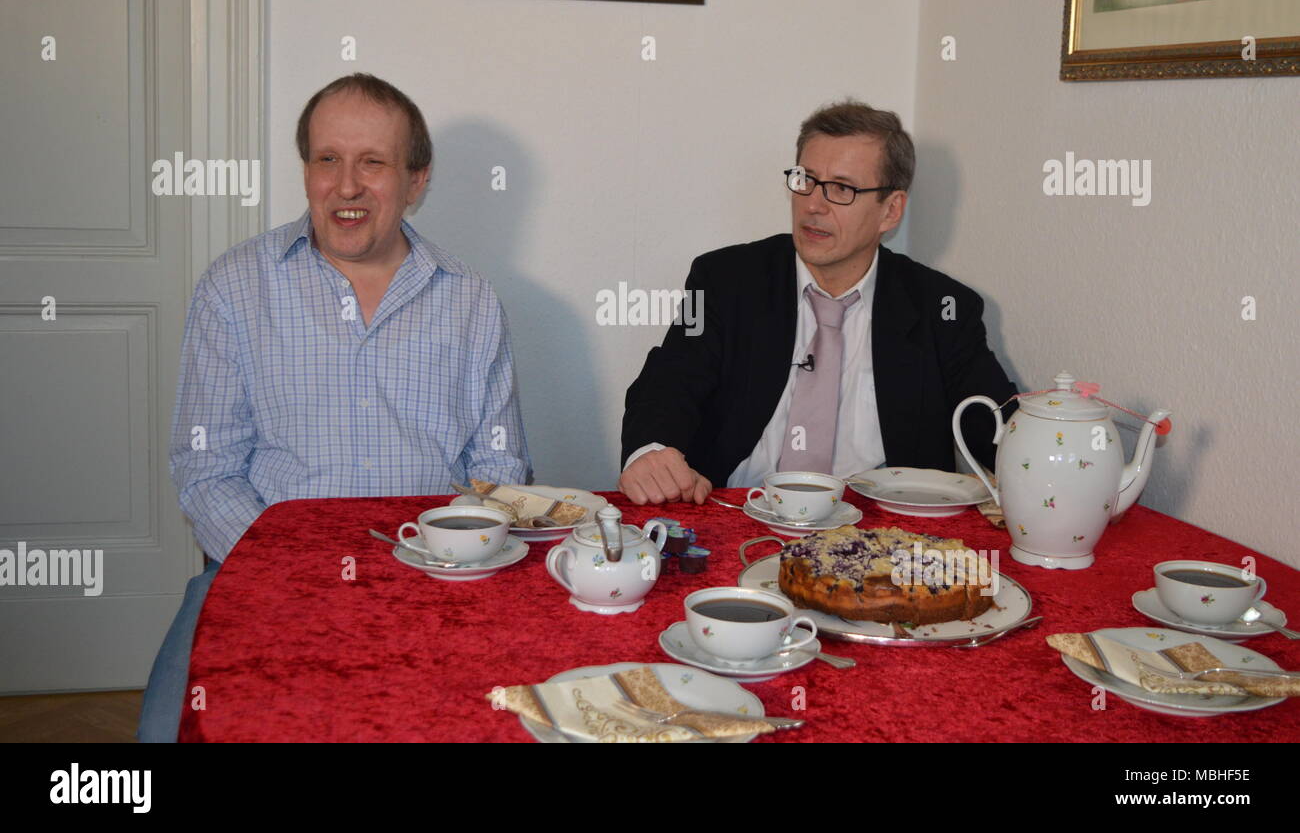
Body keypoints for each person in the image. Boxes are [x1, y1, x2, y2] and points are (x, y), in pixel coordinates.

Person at [139, 73, 531, 740]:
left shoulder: (471, 300)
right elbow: (206, 473)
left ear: (416, 182)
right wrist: (297, 573)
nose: (346, 185)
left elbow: (499, 474)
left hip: (433, 583)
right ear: (307, 172)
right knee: (166, 735)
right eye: (328, 159)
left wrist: (439, 566)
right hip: (262, 579)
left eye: (372, 163)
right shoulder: (234, 288)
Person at [618, 100, 1015, 505]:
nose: (812, 204)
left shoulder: (943, 309)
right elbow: (668, 383)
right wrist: (652, 453)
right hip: (739, 514)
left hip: (880, 536)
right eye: (805, 180)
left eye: (841, 188)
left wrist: (1062, 436)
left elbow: (998, 430)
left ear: (890, 210)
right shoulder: (725, 280)